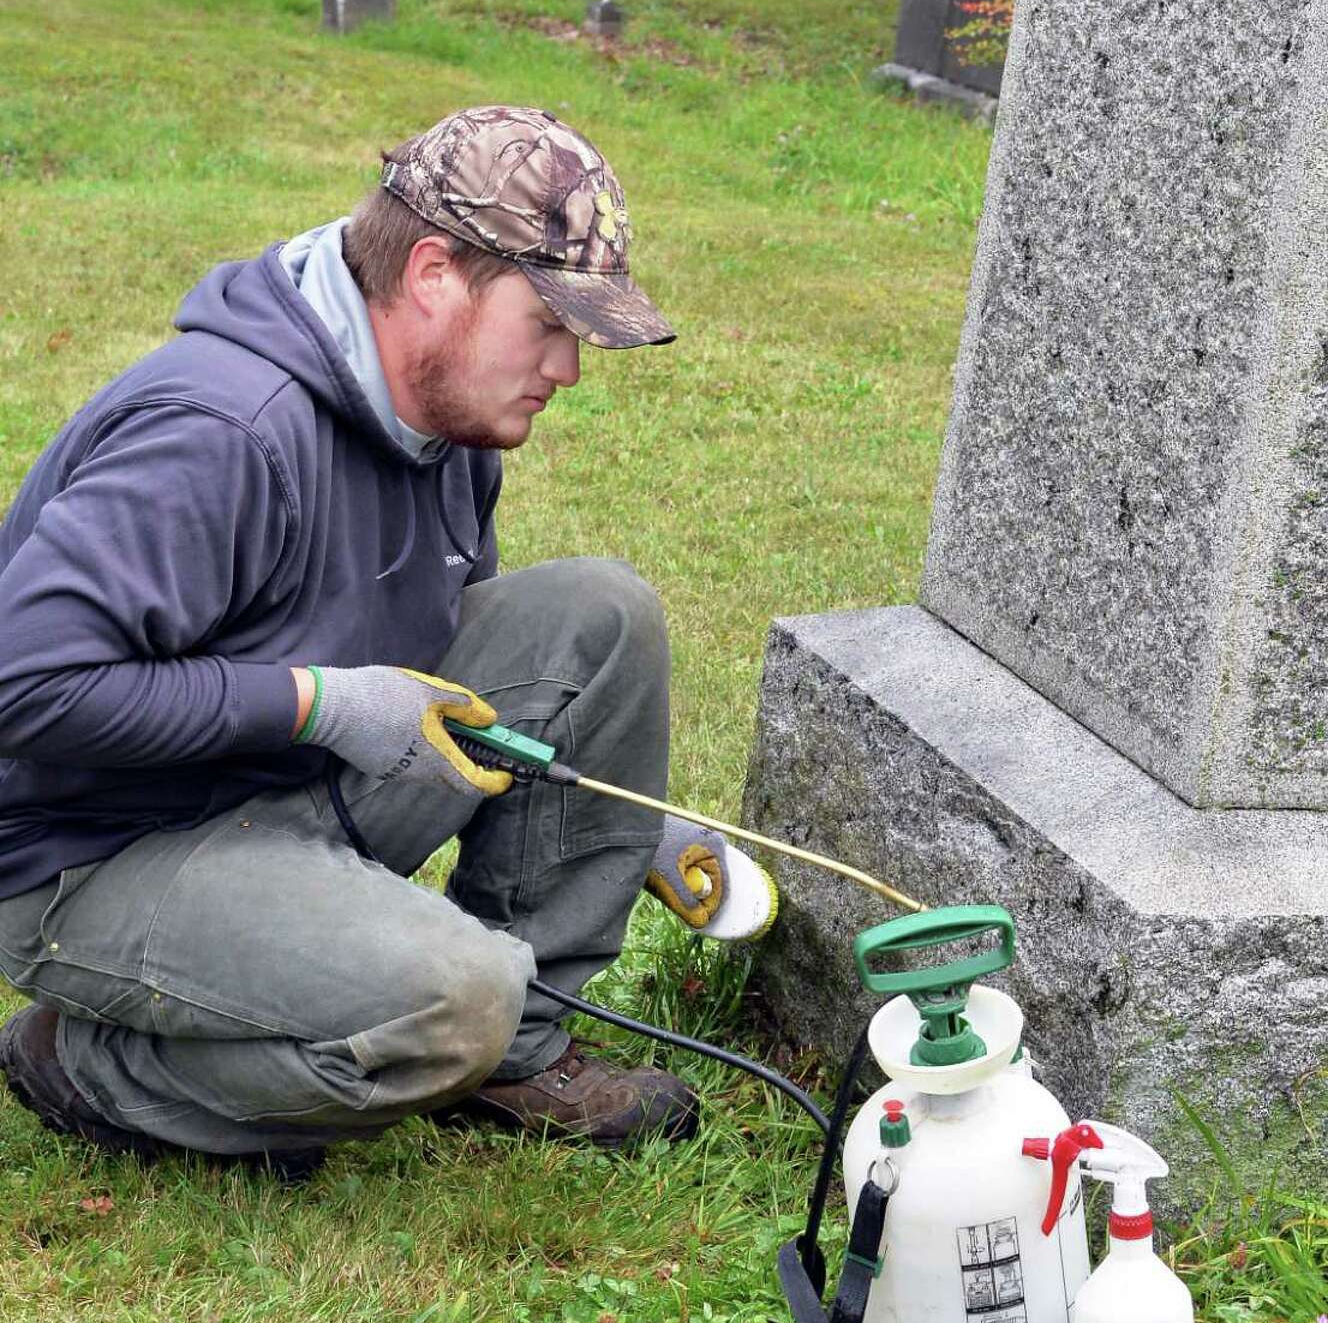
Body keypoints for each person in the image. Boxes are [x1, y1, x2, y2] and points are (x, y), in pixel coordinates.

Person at [0, 104, 771, 1179]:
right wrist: (322, 704)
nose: (569, 367)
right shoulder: (223, 432)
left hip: (282, 786)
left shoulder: (447, 420)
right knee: (457, 1001)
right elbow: (24, 684)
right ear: (434, 275)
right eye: (547, 321)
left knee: (601, 613)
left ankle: (521, 1055)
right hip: (97, 850)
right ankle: (93, 1063)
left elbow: (467, 666)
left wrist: (603, 806)